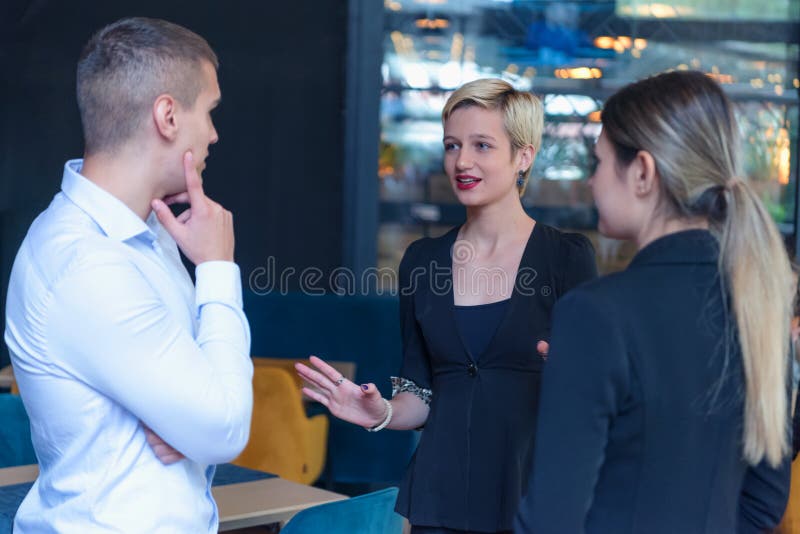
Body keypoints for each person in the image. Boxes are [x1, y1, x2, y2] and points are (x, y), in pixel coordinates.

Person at [296, 78, 598, 533]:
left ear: (524, 156)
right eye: (452, 145)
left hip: (536, 499)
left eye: (482, 145)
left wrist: (576, 374)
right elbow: (422, 394)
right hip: (440, 500)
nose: (462, 161)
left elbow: (594, 392)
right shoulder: (422, 261)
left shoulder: (566, 258)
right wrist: (382, 416)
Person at [514, 70, 792, 533]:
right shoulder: (760, 305)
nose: (590, 182)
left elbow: (550, 519)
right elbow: (762, 504)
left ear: (642, 172)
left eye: (597, 163)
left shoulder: (596, 314)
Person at [4, 17, 253, 532]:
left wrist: (194, 424)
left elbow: (208, 412)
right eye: (208, 111)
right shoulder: (85, 262)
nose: (214, 133)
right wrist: (217, 269)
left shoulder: (151, 236)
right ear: (166, 115)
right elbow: (223, 426)